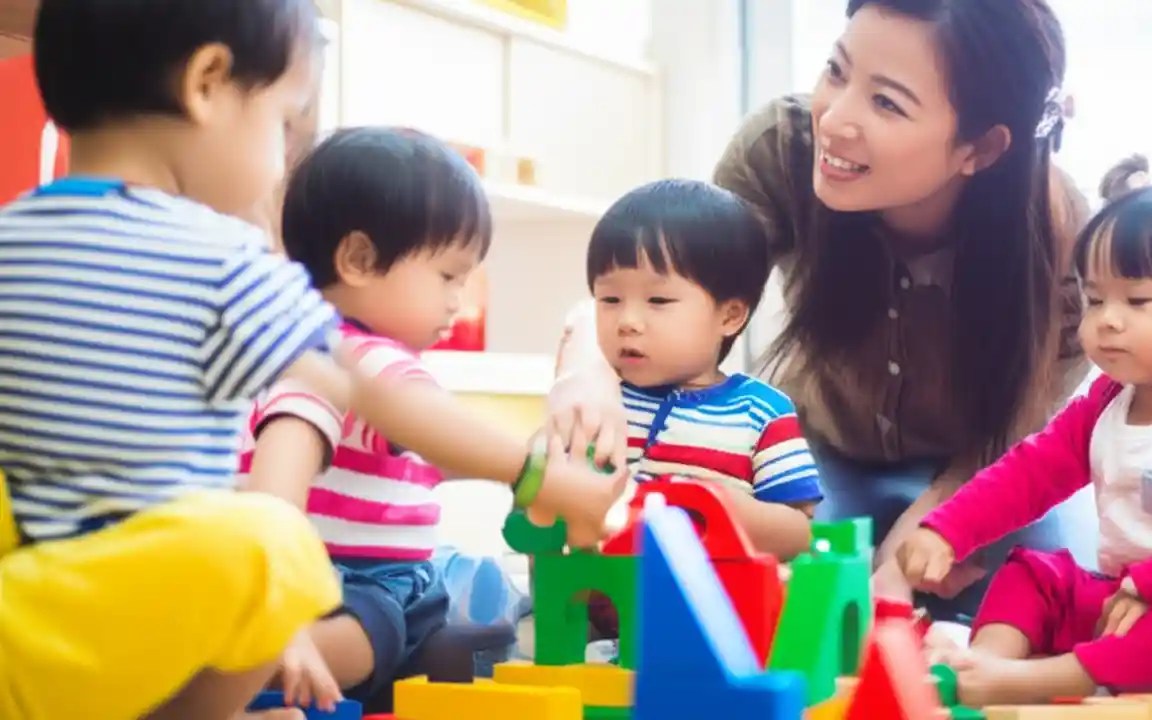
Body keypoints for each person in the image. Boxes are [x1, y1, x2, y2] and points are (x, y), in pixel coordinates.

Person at [0, 2, 622, 718]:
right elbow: (367, 389)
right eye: (282, 125)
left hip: (29, 617)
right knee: (277, 541)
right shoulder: (219, 258)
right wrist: (534, 473)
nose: (279, 164)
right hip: (159, 616)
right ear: (207, 85)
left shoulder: (13, 238)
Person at [549, 0, 1091, 622]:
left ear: (982, 146)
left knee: (1043, 608)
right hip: (817, 452)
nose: (834, 118)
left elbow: (1016, 436)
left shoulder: (1061, 245)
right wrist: (584, 371)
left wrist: (924, 536)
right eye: (836, 70)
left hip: (980, 467)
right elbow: (666, 284)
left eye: (886, 102)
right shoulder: (781, 150)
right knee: (710, 597)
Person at [898, 185, 1152, 712]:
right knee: (1034, 572)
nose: (1106, 320)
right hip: (1120, 601)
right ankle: (984, 667)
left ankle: (1029, 681)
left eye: (1137, 301)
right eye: (1095, 299)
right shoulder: (1106, 402)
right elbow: (1030, 472)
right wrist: (949, 528)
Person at [240, 127, 515, 705]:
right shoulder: (354, 360)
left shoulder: (312, 346)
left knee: (445, 587)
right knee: (393, 623)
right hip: (341, 583)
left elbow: (420, 460)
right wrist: (276, 612)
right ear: (360, 260)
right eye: (448, 276)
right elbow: (276, 479)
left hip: (363, 576)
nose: (457, 302)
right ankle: (252, 667)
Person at [588, 179, 824, 558]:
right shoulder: (598, 395)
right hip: (595, 600)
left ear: (730, 316)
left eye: (658, 299)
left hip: (717, 607)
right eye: (610, 298)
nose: (627, 321)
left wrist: (719, 507)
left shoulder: (762, 413)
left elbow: (799, 532)